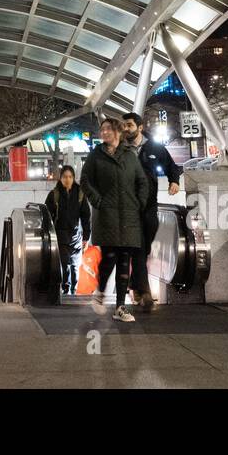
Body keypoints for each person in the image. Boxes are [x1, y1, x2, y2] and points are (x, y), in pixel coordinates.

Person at [81, 117, 148, 322]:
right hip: (107, 213)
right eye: (102, 130)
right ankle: (100, 292)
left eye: (109, 129)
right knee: (109, 255)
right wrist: (97, 201)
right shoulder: (96, 155)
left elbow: (142, 181)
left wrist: (139, 203)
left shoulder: (130, 156)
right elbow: (85, 180)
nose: (105, 132)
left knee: (124, 258)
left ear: (118, 132)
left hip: (128, 213)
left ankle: (120, 306)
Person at [122, 111, 181, 312]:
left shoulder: (154, 147)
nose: (125, 129)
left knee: (145, 247)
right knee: (138, 248)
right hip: (128, 208)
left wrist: (174, 181)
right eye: (124, 126)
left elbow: (171, 166)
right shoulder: (120, 149)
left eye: (129, 125)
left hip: (150, 206)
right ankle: (144, 292)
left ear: (139, 127)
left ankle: (134, 282)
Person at [46, 165, 92, 296]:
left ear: (73, 178)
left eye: (70, 177)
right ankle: (66, 290)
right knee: (65, 264)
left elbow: (85, 216)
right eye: (65, 177)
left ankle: (73, 290)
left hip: (76, 236)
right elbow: (47, 215)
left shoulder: (80, 194)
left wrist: (86, 237)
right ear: (60, 178)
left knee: (75, 266)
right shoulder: (54, 195)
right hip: (60, 235)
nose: (67, 179)